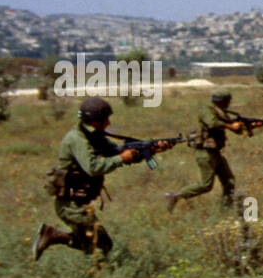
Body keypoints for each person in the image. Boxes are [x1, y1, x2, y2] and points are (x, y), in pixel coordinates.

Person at [32, 96, 173, 263]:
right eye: (105, 119)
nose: (108, 123)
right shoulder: (77, 139)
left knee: (94, 243)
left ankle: (52, 235)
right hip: (70, 205)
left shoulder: (93, 136)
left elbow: (117, 150)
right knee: (101, 245)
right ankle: (103, 277)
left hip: (76, 203)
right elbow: (93, 168)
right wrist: (122, 158)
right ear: (93, 120)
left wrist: (150, 149)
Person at [165, 89, 247, 211]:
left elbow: (234, 129)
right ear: (222, 101)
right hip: (206, 153)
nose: (229, 103)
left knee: (229, 182)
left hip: (216, 153)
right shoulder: (207, 110)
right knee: (206, 185)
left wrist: (245, 127)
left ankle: (225, 210)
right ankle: (175, 196)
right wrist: (230, 126)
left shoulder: (221, 113)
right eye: (228, 100)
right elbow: (212, 123)